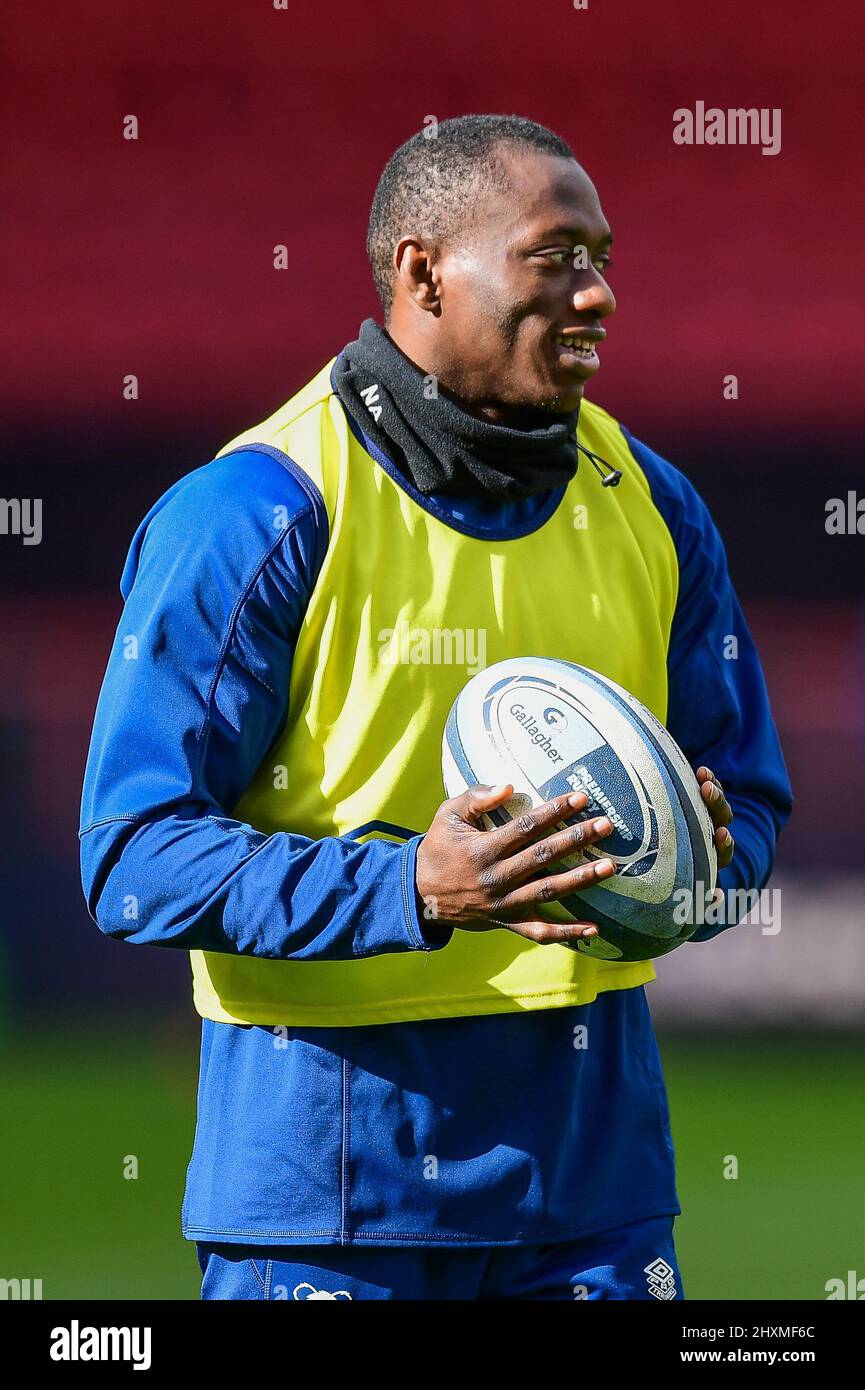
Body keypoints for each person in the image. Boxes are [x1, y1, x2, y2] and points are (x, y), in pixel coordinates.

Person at [80, 114, 792, 1301]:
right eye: (555, 256)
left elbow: (749, 794)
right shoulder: (253, 513)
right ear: (422, 271)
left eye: (603, 258)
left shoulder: (654, 504)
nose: (598, 294)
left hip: (595, 1183)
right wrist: (416, 888)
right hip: (326, 1186)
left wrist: (704, 863)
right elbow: (131, 857)